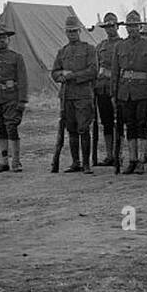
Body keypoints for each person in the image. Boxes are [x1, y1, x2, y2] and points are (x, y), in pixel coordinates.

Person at [114, 10, 147, 174]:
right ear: (126, 28)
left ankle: (141, 159)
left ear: (139, 27)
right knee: (130, 125)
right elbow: (115, 72)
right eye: (129, 26)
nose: (132, 29)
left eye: (135, 26)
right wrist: (115, 94)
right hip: (125, 92)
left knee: (142, 124)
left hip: (143, 91)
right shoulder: (119, 46)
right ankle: (132, 159)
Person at [49, 15, 98, 174]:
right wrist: (60, 75)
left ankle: (86, 164)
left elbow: (93, 71)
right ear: (66, 33)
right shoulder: (62, 51)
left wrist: (72, 76)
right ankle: (75, 162)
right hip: (67, 96)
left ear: (80, 31)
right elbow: (54, 72)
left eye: (74, 31)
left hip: (83, 95)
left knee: (84, 129)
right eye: (69, 31)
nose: (72, 34)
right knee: (71, 129)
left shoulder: (89, 49)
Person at [0, 20, 29, 172]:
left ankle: (16, 161)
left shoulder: (16, 57)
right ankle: (3, 162)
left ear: (9, 39)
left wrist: (22, 100)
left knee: (11, 127)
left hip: (11, 98)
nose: (1, 40)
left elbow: (23, 80)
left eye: (4, 37)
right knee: (0, 128)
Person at [92, 12, 122, 166]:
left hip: (117, 89)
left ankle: (119, 153)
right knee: (106, 123)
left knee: (120, 122)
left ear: (117, 26)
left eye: (112, 26)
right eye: (107, 27)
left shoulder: (123, 44)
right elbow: (96, 67)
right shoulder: (100, 46)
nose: (110, 29)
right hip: (102, 89)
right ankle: (110, 154)